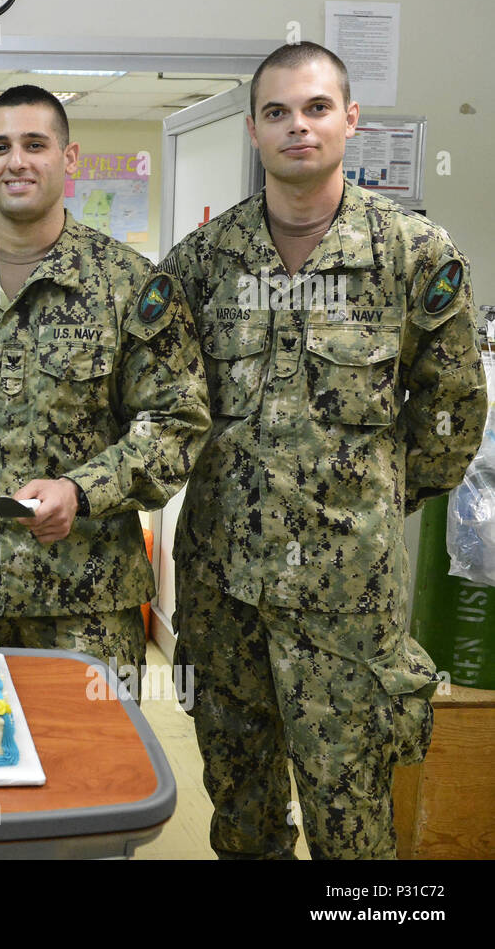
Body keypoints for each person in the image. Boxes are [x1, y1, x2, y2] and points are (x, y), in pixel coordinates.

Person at [163, 42, 486, 859]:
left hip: (349, 606)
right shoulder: (203, 263)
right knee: (240, 817)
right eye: (276, 112)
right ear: (253, 131)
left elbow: (451, 416)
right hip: (222, 588)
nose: (296, 127)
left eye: (314, 108)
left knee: (353, 830)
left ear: (349, 120)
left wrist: (369, 503)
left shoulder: (415, 254)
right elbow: (166, 410)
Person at [0, 85, 211, 697]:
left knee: (95, 781)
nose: (17, 161)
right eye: (1, 147)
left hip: (88, 603)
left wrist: (81, 490)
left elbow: (177, 421)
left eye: (35, 144)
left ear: (69, 160)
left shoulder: (130, 286)